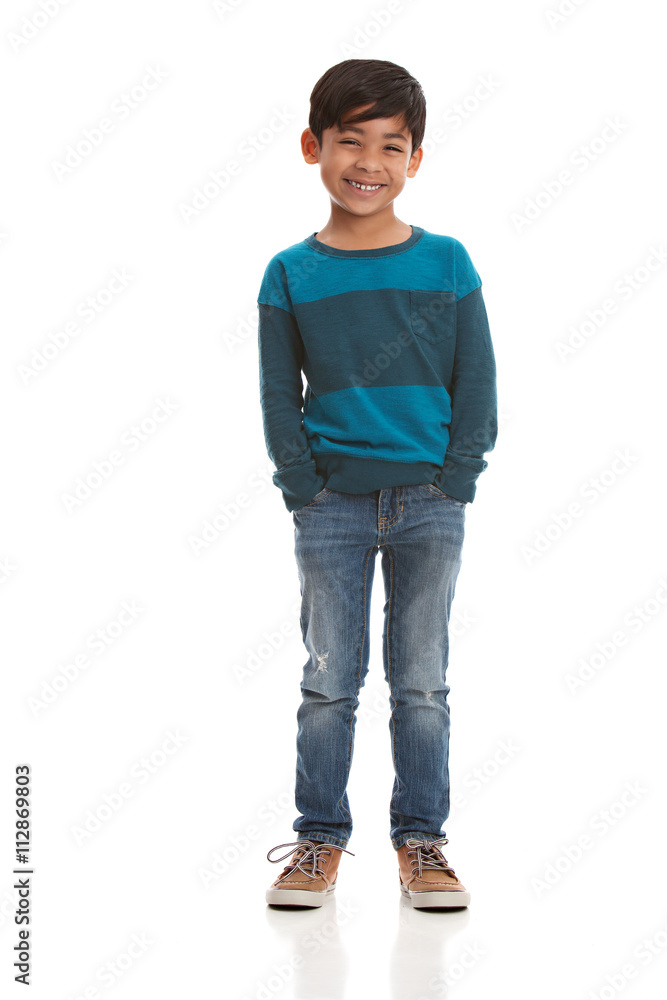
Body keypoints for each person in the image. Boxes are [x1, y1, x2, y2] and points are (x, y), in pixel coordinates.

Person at [257, 58, 498, 909]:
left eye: (390, 145)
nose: (368, 161)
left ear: (415, 160)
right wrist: (302, 485)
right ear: (311, 147)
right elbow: (275, 392)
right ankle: (318, 840)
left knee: (421, 680)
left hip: (430, 503)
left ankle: (421, 844)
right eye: (349, 140)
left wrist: (458, 475)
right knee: (328, 679)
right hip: (332, 508)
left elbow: (477, 381)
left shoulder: (447, 262)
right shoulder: (291, 271)